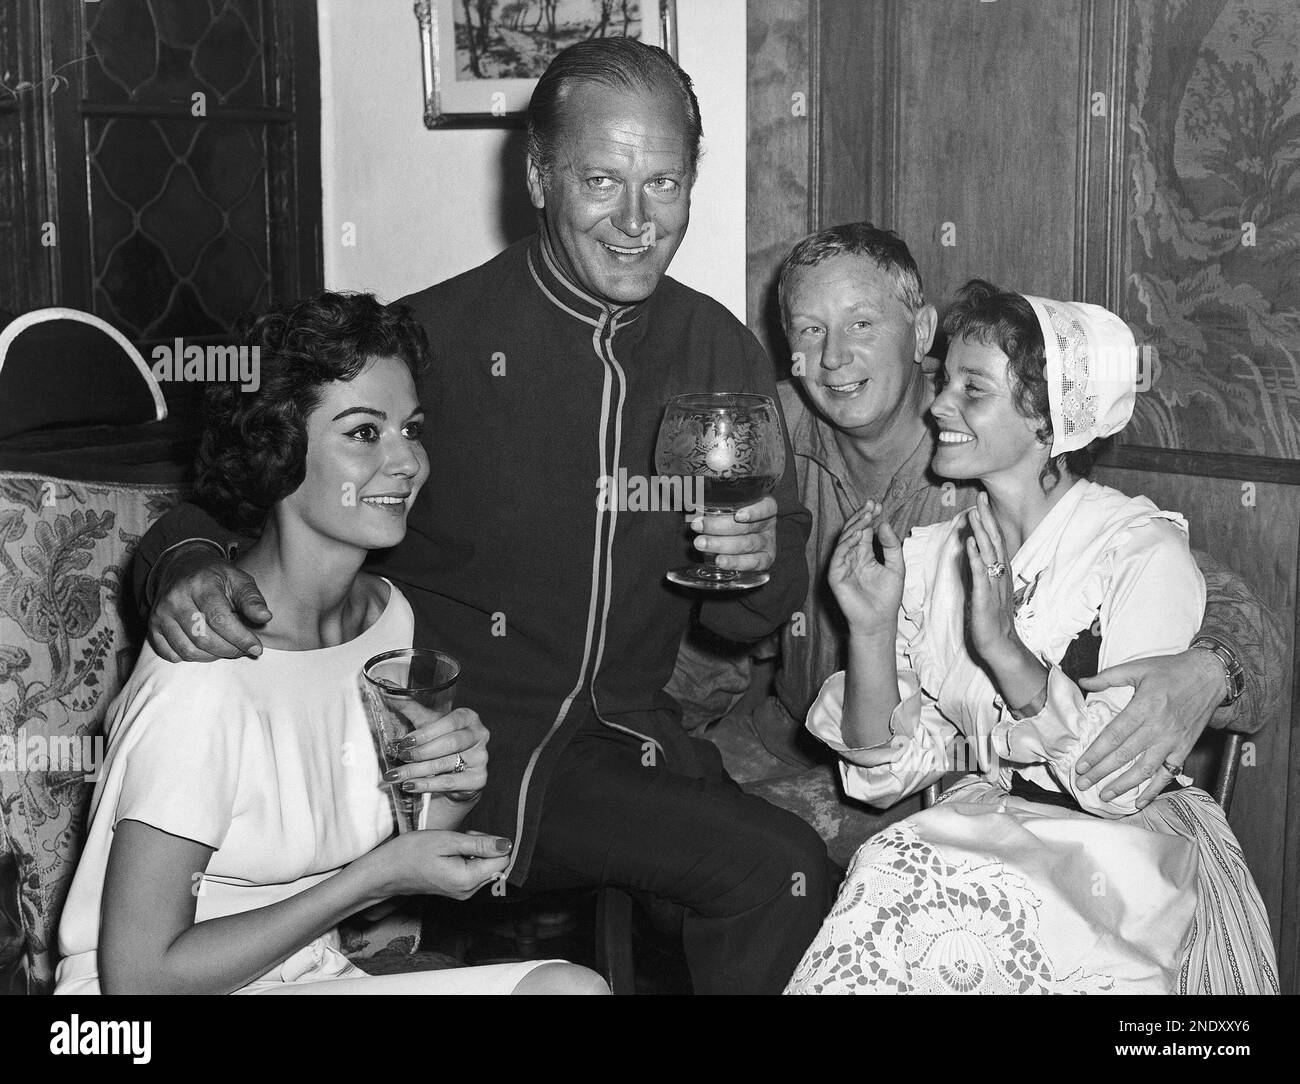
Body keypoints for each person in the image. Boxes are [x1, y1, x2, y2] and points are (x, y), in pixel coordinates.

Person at [128, 39, 834, 994]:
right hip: (458, 762)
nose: (636, 221)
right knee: (766, 871)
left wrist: (755, 564)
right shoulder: (435, 340)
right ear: (540, 176)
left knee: (792, 881)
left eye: (663, 183)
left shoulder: (719, 351)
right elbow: (227, 491)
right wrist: (183, 567)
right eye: (600, 180)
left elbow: (743, 618)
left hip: (632, 744)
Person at [670, 223, 1280, 864]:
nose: (833, 359)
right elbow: (709, 624)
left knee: (762, 874)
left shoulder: (996, 440)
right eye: (809, 329)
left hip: (952, 797)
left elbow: (1218, 603)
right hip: (809, 747)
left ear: (921, 332)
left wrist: (1211, 671)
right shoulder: (765, 433)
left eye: (862, 324)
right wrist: (654, 739)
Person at [55, 293, 606, 995]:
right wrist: (366, 882)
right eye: (365, 433)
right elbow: (140, 978)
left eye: (412, 427)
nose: (407, 460)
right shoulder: (207, 670)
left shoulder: (388, 624)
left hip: (309, 975)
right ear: (278, 453)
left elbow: (370, 863)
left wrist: (454, 786)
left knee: (567, 989)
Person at [784, 281, 1278, 994]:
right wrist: (869, 628)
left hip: (1118, 858)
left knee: (918, 880)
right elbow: (885, 773)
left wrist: (1003, 647)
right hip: (990, 829)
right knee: (895, 862)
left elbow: (1114, 787)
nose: (938, 405)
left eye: (971, 389)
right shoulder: (932, 558)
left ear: (1049, 420)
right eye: (945, 380)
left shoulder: (1137, 552)